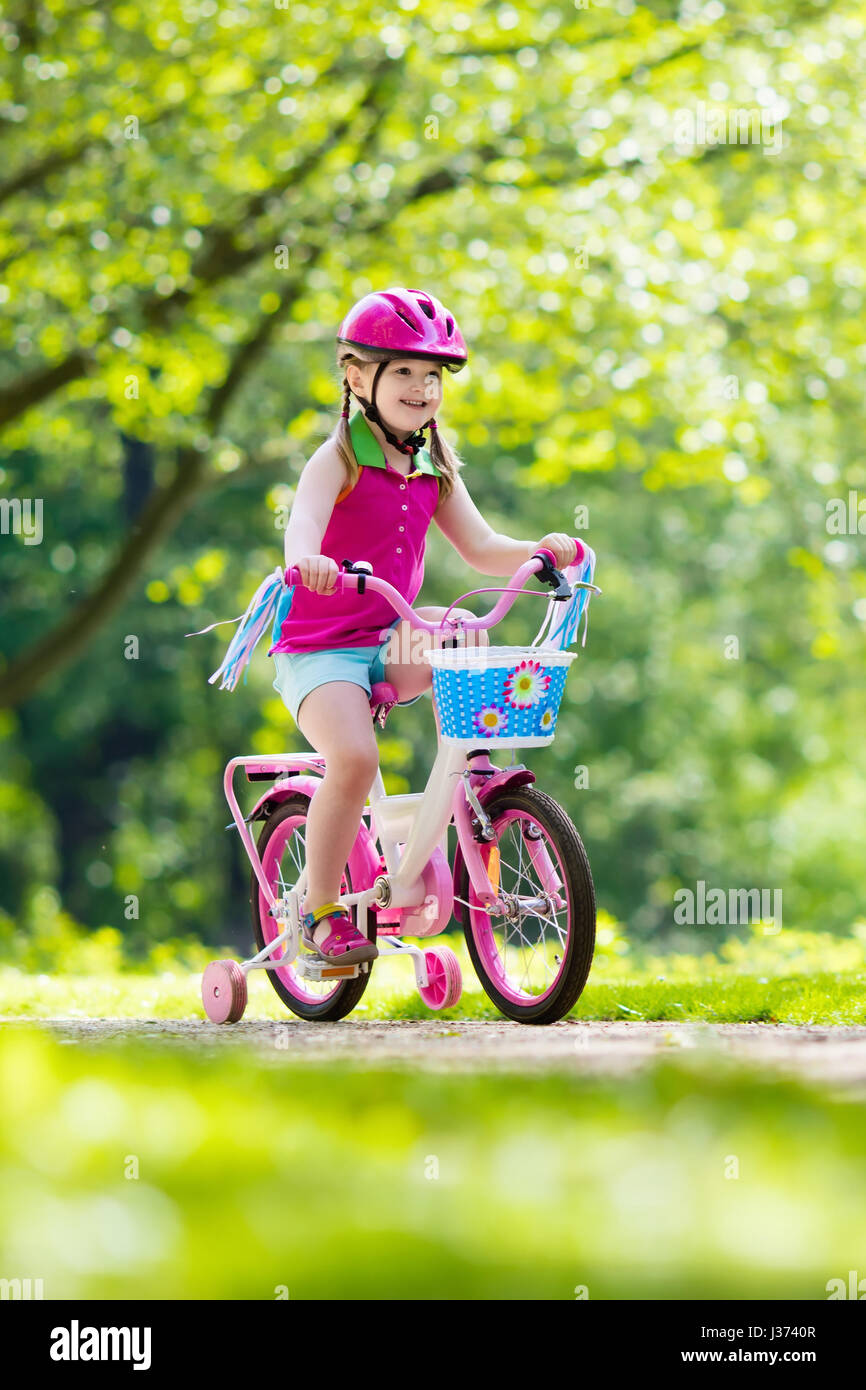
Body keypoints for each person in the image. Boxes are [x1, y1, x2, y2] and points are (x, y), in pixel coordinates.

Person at [266, 286, 576, 965]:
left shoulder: (434, 463)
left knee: (462, 628)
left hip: (390, 636)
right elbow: (302, 532)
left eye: (431, 375)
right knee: (354, 760)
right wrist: (311, 565)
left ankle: (469, 778)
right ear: (355, 375)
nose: (420, 387)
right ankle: (320, 916)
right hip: (320, 651)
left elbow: (480, 547)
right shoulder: (338, 459)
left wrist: (540, 553)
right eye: (401, 371)